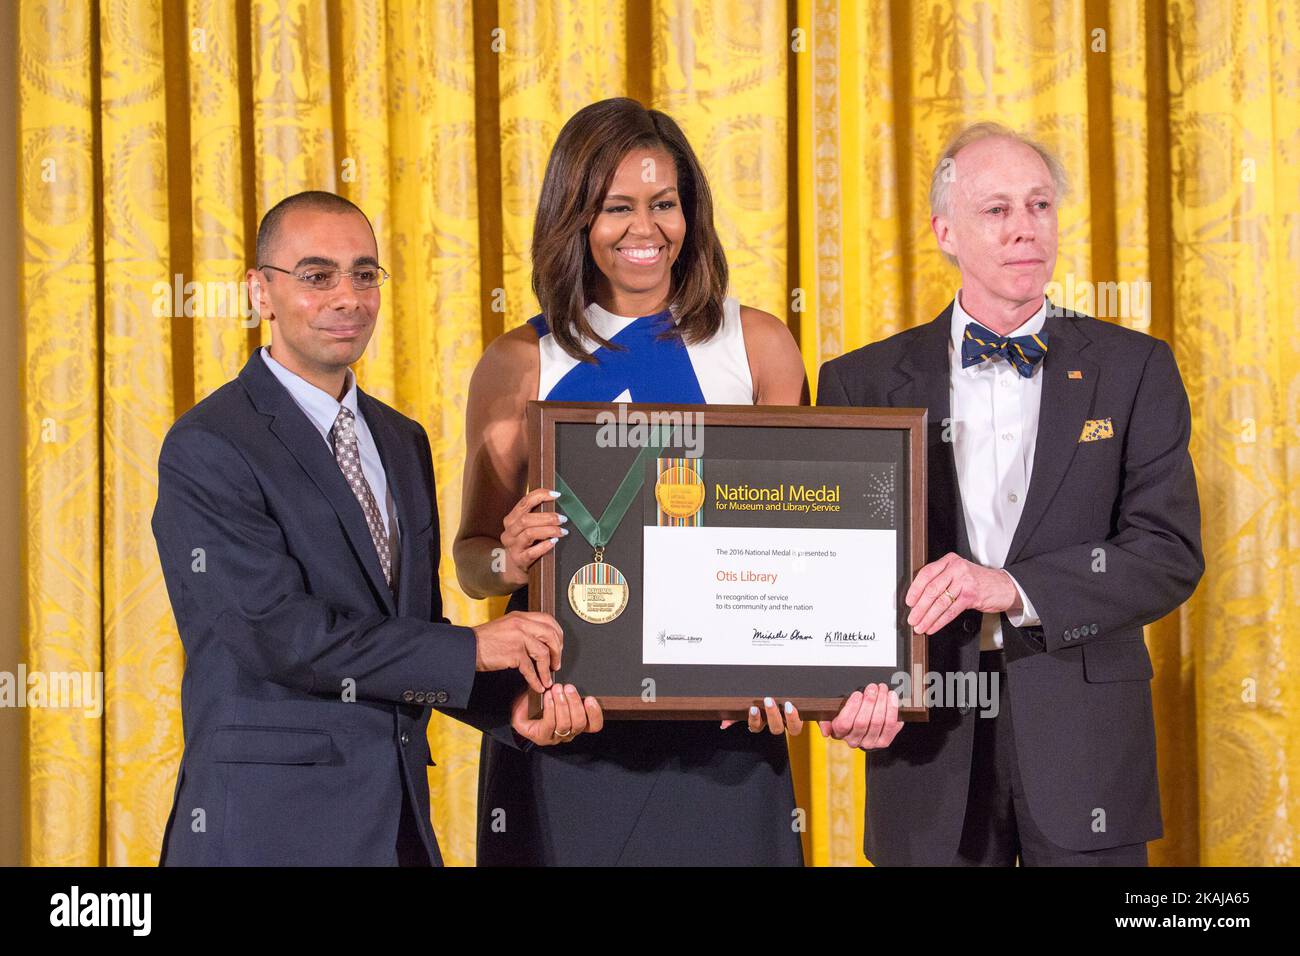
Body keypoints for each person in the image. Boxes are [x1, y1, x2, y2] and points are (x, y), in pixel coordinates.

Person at [455, 98, 862, 865]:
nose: (645, 229)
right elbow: (473, 561)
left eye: (664, 204)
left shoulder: (761, 345)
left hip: (722, 739)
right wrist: (511, 559)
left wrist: (798, 675)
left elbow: (804, 550)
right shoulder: (517, 361)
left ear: (690, 213)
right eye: (616, 207)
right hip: (564, 718)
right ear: (574, 217)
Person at [151, 190, 578, 866]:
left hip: (400, 828)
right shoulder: (209, 444)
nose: (348, 297)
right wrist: (473, 650)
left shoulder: (400, 439)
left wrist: (509, 706)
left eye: (365, 273)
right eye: (317, 276)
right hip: (268, 832)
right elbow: (280, 634)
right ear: (261, 292)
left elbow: (412, 629)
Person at [816, 122, 1203, 865]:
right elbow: (834, 566)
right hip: (923, 741)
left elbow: (1168, 553)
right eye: (997, 210)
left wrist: (1009, 586)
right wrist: (839, 688)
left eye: (1040, 206)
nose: (1026, 229)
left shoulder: (1135, 368)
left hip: (1087, 739)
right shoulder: (858, 381)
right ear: (945, 231)